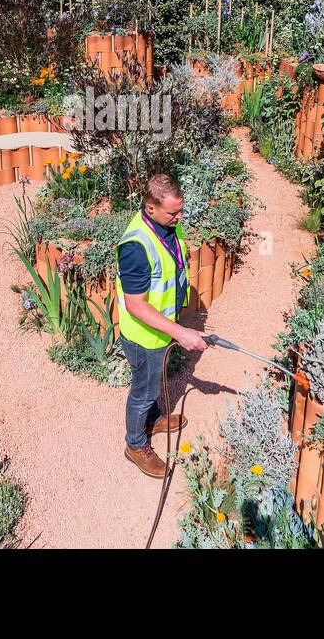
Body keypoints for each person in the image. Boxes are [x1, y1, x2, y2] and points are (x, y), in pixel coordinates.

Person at [114, 173, 208, 478]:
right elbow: (136, 305)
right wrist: (180, 332)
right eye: (174, 213)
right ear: (150, 208)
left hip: (160, 330)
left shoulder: (167, 225)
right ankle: (136, 444)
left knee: (155, 382)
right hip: (144, 336)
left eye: (181, 210)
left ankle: (152, 418)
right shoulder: (136, 247)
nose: (180, 217)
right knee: (144, 389)